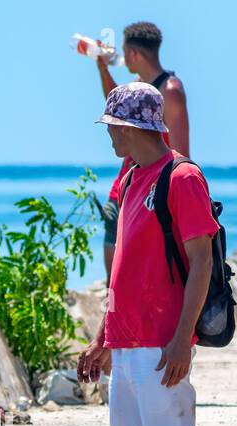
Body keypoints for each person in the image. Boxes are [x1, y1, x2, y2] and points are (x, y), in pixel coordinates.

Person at [78, 82, 217, 426]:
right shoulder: (132, 177)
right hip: (127, 346)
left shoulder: (181, 178)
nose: (109, 133)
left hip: (162, 347)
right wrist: (101, 339)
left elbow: (201, 259)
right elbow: (121, 271)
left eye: (113, 124)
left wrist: (183, 340)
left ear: (133, 126)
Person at [84, 21, 190, 280]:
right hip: (128, 180)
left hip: (155, 184)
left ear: (133, 53)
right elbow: (118, 110)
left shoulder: (170, 90)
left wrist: (170, 193)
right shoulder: (139, 84)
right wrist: (102, 67)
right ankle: (113, 303)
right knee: (113, 231)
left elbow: (181, 150)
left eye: (123, 50)